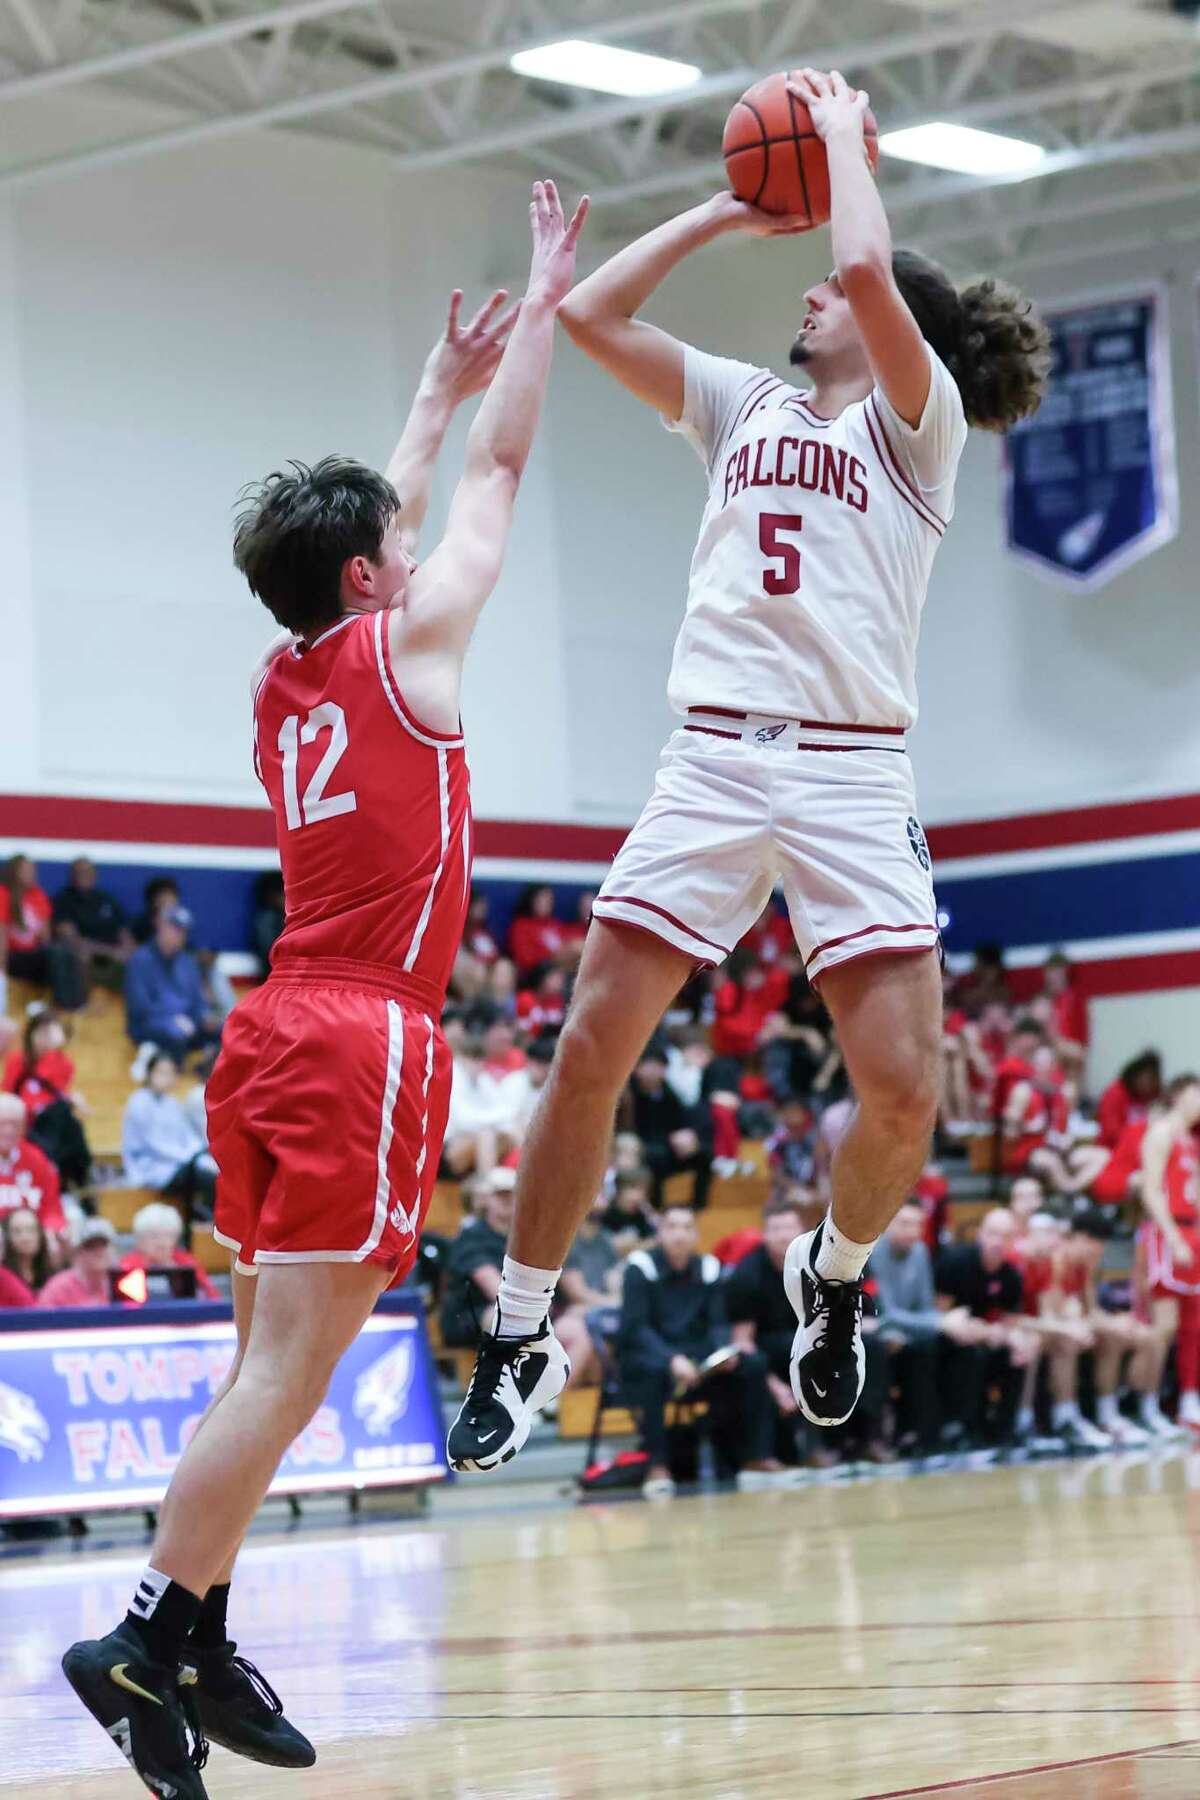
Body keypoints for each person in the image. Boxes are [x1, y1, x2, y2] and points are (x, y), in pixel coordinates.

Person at [62, 180, 589, 1800]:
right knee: (294, 1373)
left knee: (260, 1368)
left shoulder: (287, 666)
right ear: (375, 576)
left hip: (271, 1027)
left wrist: (423, 394)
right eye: (396, 547)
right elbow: (494, 478)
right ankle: (144, 1633)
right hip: (365, 1032)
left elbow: (394, 508)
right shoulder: (409, 654)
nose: (418, 554)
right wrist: (548, 295)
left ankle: (198, 1633)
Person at [449, 67, 1049, 1474]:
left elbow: (856, 253)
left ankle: (829, 1276)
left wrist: (840, 142)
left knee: (906, 1088)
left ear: (891, 324)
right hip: (713, 758)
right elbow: (589, 313)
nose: (814, 300)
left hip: (850, 773)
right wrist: (726, 205)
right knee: (592, 1043)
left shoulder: (919, 433)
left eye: (838, 299)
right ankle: (524, 1329)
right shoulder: (740, 408)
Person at [617, 1204, 785, 1494]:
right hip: (653, 1355)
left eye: (686, 1227)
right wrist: (672, 1359)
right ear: (660, 1233)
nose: (679, 1235)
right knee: (653, 1371)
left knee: (752, 1364)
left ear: (695, 1234)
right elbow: (636, 1328)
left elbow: (719, 1323)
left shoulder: (709, 1268)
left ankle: (755, 1456)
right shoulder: (640, 1267)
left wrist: (723, 1353)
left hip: (700, 1356)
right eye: (672, 1227)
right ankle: (657, 1464)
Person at [934, 1209, 1039, 1447]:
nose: (998, 1242)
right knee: (973, 1354)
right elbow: (939, 1314)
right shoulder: (955, 1262)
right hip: (952, 1337)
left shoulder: (1011, 1276)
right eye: (993, 1234)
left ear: (1013, 1241)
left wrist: (1017, 1338)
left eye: (1005, 1236)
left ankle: (1005, 1430)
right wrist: (978, 1329)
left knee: (1017, 1354)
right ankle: (963, 1428)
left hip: (987, 1336)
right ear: (981, 1234)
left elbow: (1009, 1321)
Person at [1136, 1074, 1200, 1435]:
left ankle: (1190, 1401)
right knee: (1164, 1326)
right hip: (1168, 1231)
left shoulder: (1191, 1141)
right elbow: (1151, 1192)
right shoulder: (1161, 1133)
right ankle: (1147, 1405)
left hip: (1192, 1230)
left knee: (1194, 1324)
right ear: (1179, 1095)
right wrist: (1173, 1236)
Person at [868, 1201, 955, 1457]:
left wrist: (944, 1322)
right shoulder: (872, 1253)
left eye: (918, 1224)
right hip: (878, 1330)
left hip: (909, 1331)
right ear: (887, 1224)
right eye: (905, 1223)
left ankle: (925, 1435)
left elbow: (925, 1307)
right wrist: (940, 1322)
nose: (913, 1231)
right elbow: (886, 1312)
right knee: (887, 1347)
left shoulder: (920, 1252)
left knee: (940, 1346)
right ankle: (879, 1437)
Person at [122, 1053, 218, 1224]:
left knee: (212, 1171)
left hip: (177, 1164)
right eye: (160, 1072)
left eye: (169, 1073)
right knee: (205, 1179)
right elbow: (154, 1145)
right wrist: (191, 1159)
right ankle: (210, 1224)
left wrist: (201, 1154)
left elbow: (187, 1136)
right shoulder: (139, 1101)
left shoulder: (171, 1103)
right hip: (152, 1167)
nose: (165, 1078)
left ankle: (207, 1221)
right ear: (149, 1074)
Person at [124, 905, 222, 1066]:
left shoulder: (188, 962)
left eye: (184, 930)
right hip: (149, 1025)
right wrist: (172, 1019)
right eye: (176, 929)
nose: (181, 935)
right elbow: (139, 1008)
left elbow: (198, 1002)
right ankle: (176, 1081)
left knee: (224, 1030)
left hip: (186, 1023)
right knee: (174, 1035)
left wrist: (205, 1017)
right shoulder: (139, 961)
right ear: (161, 926)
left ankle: (205, 1075)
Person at [625, 1044, 713, 1209]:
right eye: (649, 1066)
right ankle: (657, 1208)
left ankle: (698, 1205)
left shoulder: (668, 1092)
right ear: (637, 1068)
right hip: (641, 1146)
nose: (653, 1072)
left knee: (704, 1155)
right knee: (655, 1158)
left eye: (659, 1067)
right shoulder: (629, 1093)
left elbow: (680, 1120)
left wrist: (687, 1136)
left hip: (667, 1146)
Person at [440, 1170, 517, 1347]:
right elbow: (497, 1291)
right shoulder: (471, 1237)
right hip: (467, 1318)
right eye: (500, 1194)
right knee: (511, 1322)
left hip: (509, 1311)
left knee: (575, 1327)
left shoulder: (522, 1237)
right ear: (486, 1199)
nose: (507, 1200)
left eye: (512, 1194)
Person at [0, 853, 87, 1010]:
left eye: (33, 869)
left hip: (36, 956)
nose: (32, 873)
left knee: (68, 952)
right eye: (26, 869)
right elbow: (1, 938)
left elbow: (45, 939)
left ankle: (79, 1003)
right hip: (14, 956)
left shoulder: (38, 895)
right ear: (14, 872)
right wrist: (2, 975)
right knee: (56, 953)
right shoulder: (3, 894)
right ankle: (64, 1005)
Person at [52, 856, 135, 992]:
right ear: (71, 876)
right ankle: (82, 1007)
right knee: (80, 956)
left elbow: (124, 933)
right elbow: (70, 939)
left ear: (95, 876)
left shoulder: (107, 900)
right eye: (79, 873)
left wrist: (129, 952)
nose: (84, 876)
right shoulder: (63, 901)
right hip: (88, 956)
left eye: (88, 872)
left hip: (113, 957)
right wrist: (110, 952)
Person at [0, 1093, 67, 1242]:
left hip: (32, 1240)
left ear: (24, 1127)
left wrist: (53, 1228)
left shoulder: (37, 1159)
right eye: (3, 1124)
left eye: (15, 1125)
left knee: (70, 1225)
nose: (9, 1131)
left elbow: (53, 1208)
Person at [120, 1201, 219, 1301]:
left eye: (167, 1236)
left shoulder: (187, 1263)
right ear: (140, 1240)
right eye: (153, 1236)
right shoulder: (127, 1267)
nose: (161, 1243)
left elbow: (212, 1297)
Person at [38, 1215, 118, 1308]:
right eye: (91, 1246)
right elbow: (40, 1320)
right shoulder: (59, 1288)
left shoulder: (125, 1283)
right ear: (78, 1252)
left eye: (103, 1245)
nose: (99, 1252)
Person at [1, 1205, 53, 1296]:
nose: (25, 1238)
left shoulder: (52, 1273)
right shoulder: (2, 1276)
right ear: (7, 1238)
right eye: (17, 1231)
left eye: (31, 1230)